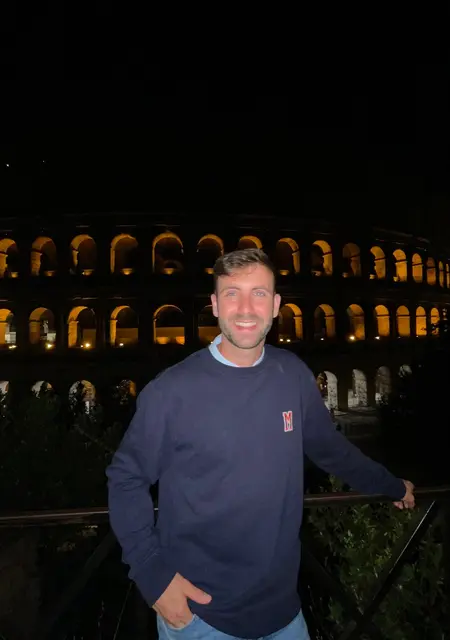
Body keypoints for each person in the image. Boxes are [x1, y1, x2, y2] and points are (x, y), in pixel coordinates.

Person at [106, 248, 415, 640]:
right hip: (200, 616)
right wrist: (154, 577)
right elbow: (126, 478)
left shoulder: (292, 375)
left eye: (259, 293)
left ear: (276, 305)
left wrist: (391, 485)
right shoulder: (172, 390)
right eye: (232, 293)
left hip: (283, 612)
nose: (246, 308)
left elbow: (330, 450)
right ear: (215, 304)